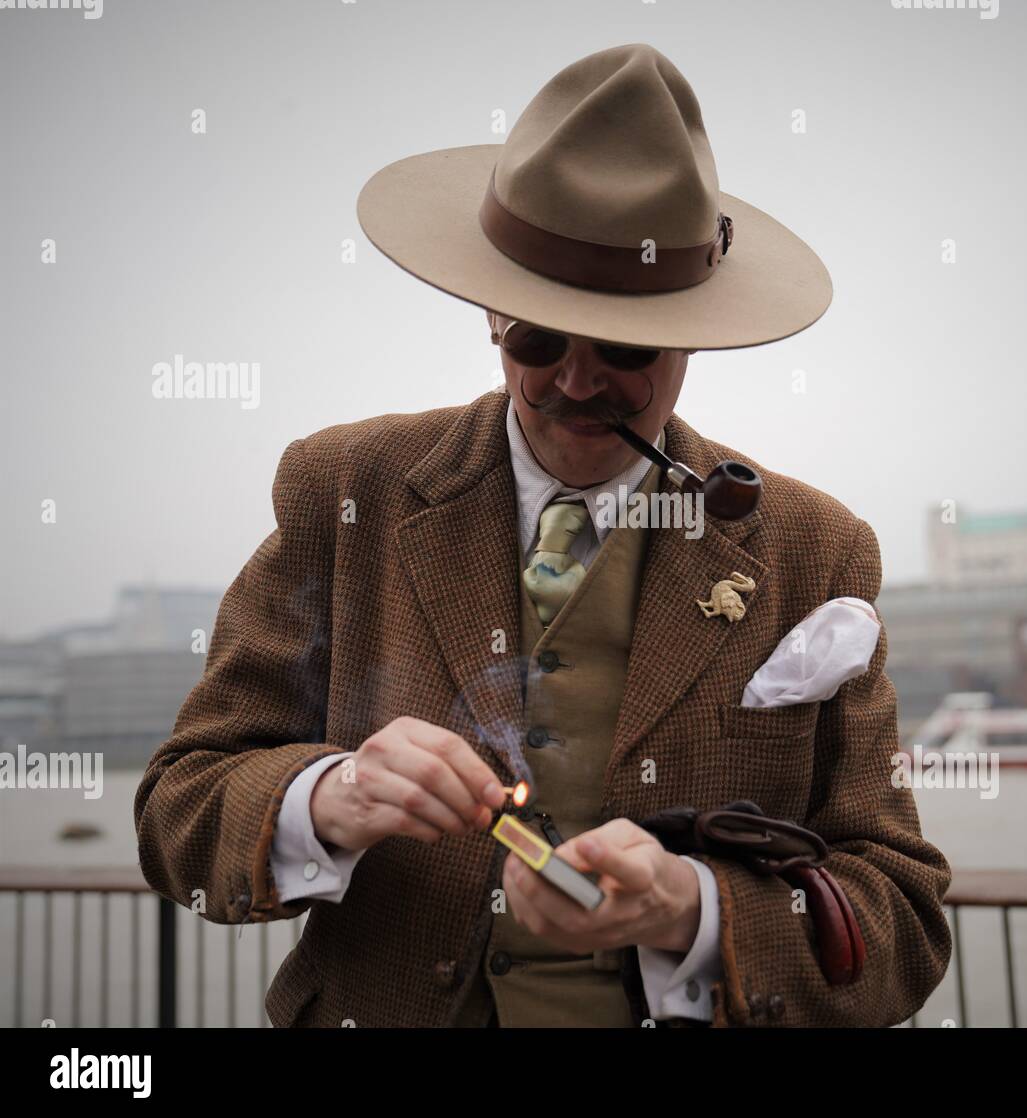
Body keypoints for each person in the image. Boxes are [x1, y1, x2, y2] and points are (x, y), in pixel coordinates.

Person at [134, 42, 952, 1028]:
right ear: (488, 310)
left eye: (623, 348)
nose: (574, 380)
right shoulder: (347, 489)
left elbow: (900, 919)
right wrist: (328, 794)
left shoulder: (816, 549)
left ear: (695, 330)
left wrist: (692, 910)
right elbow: (178, 815)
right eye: (536, 337)